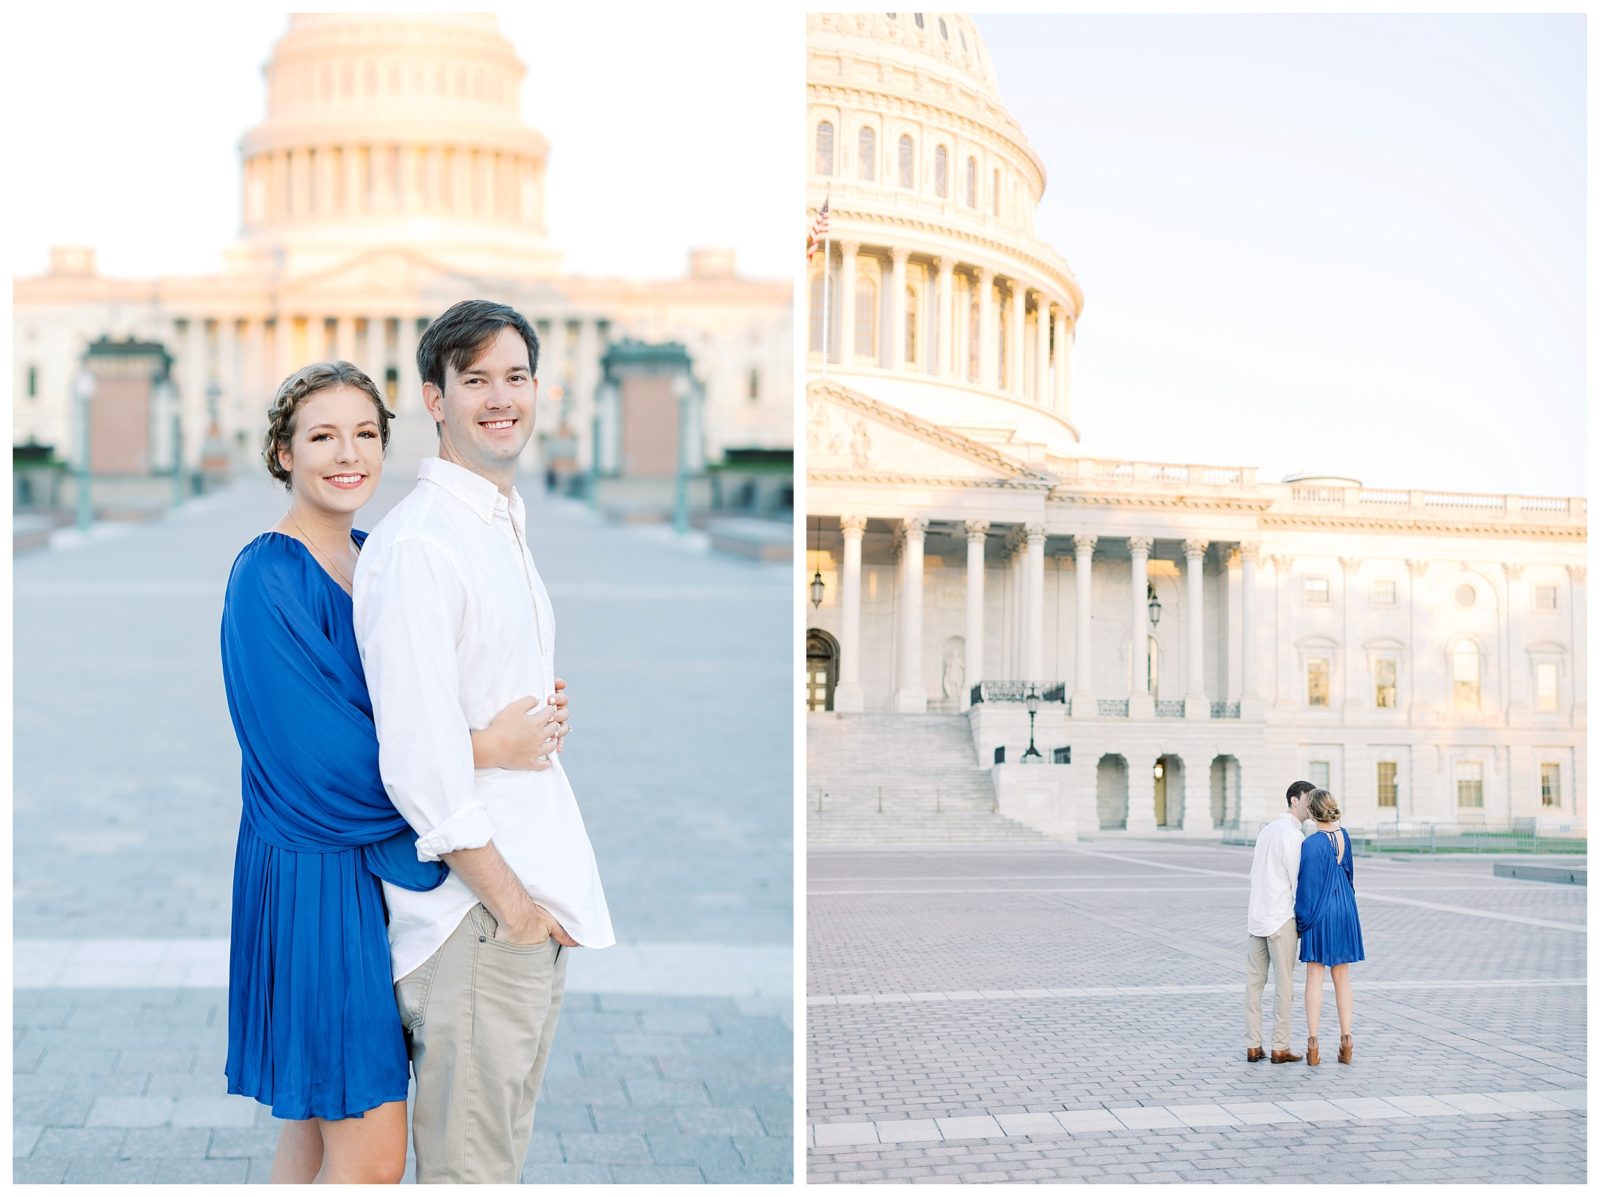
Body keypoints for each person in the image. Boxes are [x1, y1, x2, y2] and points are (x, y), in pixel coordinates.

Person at [221, 362, 568, 1183]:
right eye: (322, 435)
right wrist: (487, 745)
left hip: (373, 881)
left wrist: (531, 705)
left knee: (315, 1138)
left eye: (366, 433)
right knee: (372, 1157)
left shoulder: (375, 555)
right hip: (314, 881)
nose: (349, 453)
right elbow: (320, 766)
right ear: (283, 452)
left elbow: (428, 694)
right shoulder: (266, 576)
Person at [353, 299, 615, 1184]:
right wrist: (514, 911)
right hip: (474, 917)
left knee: (492, 1164)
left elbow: (460, 703)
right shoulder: (423, 545)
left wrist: (532, 720)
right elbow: (416, 762)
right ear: (434, 398)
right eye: (475, 380)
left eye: (515, 376)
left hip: (517, 908)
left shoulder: (496, 522)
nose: (501, 398)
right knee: (474, 1175)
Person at [1243, 779, 1315, 1064]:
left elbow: (1254, 873)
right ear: (1294, 800)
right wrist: (1302, 919)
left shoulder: (1267, 831)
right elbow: (1298, 881)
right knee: (1284, 985)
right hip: (1280, 917)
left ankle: (1253, 1044)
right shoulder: (1293, 836)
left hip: (1257, 916)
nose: (1311, 805)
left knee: (1254, 984)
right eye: (1308, 799)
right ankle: (1280, 1046)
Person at [1295, 788, 1365, 1066]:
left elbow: (1308, 887)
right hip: (1345, 906)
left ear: (1312, 812)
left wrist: (1301, 920)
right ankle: (1347, 1040)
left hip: (1321, 910)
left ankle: (1313, 1044)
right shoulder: (1344, 837)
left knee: (1315, 974)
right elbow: (1349, 875)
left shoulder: (1311, 844)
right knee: (1342, 977)